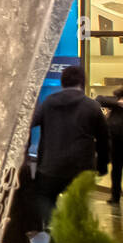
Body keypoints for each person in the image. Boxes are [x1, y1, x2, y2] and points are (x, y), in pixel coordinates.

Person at [31, 65, 109, 227]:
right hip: (81, 168)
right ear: (82, 82)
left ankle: (53, 227)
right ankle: (73, 234)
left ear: (62, 82)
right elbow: (103, 139)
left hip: (51, 166)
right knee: (78, 205)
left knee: (44, 196)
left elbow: (30, 122)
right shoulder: (92, 106)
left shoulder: (49, 102)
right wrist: (102, 165)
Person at [96, 84, 123, 203]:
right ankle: (115, 196)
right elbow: (99, 99)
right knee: (117, 170)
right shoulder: (117, 101)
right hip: (117, 141)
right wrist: (118, 102)